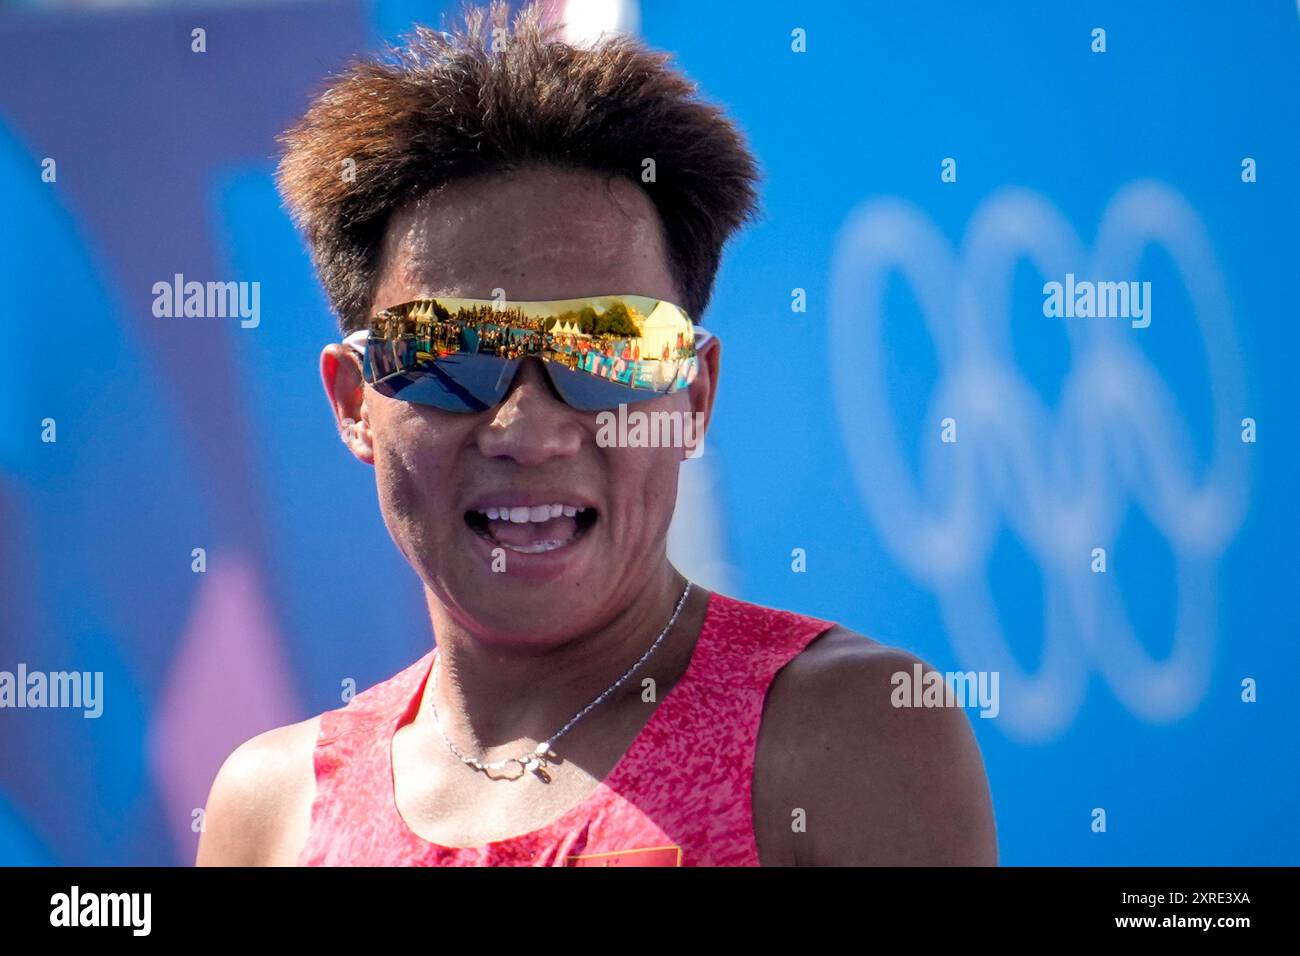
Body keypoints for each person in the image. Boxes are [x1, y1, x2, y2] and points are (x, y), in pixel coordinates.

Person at [195, 1, 996, 867]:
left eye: (608, 347)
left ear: (693, 396)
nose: (527, 429)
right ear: (355, 401)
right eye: (451, 350)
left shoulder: (841, 732)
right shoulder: (273, 809)